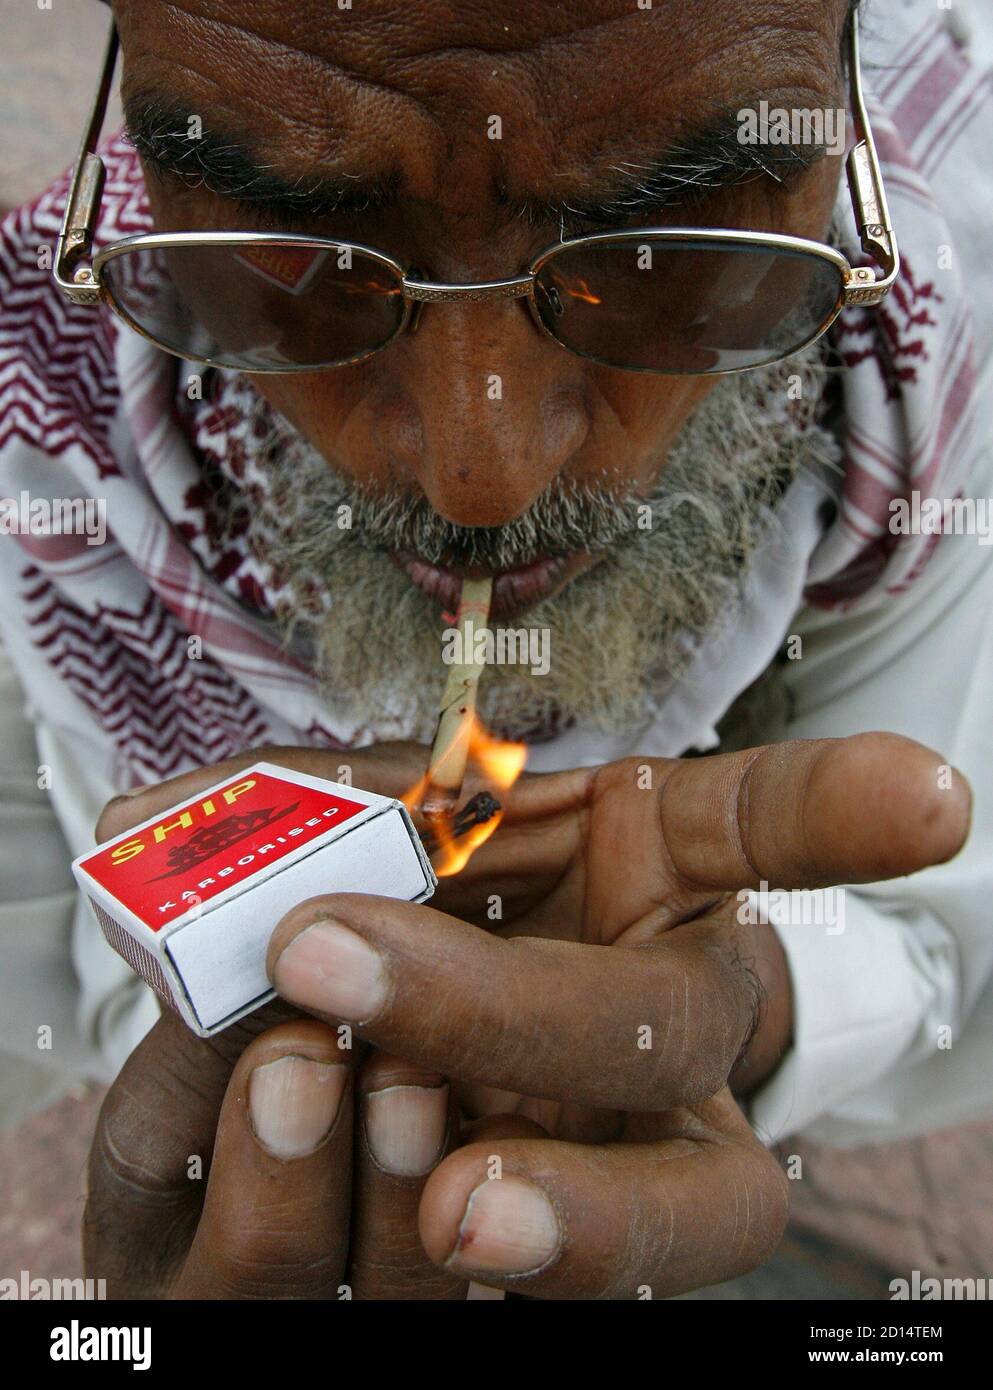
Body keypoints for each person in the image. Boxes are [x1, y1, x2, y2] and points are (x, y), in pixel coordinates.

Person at [1, 0, 991, 1297]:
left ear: (838, 156)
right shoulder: (43, 430)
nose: (483, 483)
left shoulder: (935, 296)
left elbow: (938, 934)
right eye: (303, 249)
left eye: (660, 254)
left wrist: (740, 1000)